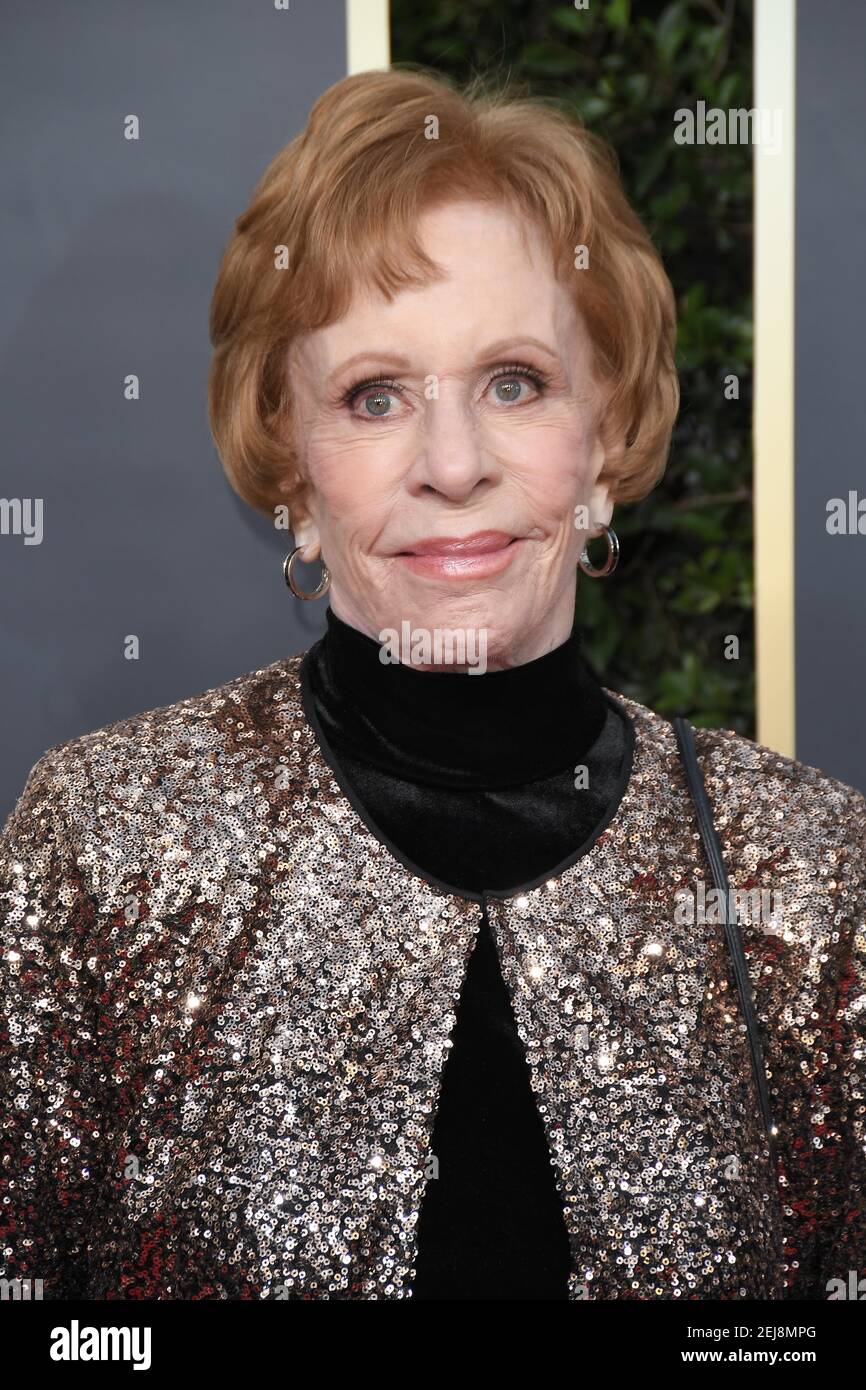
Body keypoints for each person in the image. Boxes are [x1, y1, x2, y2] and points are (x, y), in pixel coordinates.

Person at [1, 67, 864, 1302]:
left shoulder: (811, 873)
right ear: (290, 462)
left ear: (606, 436)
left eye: (514, 381)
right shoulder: (103, 839)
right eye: (374, 396)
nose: (452, 465)